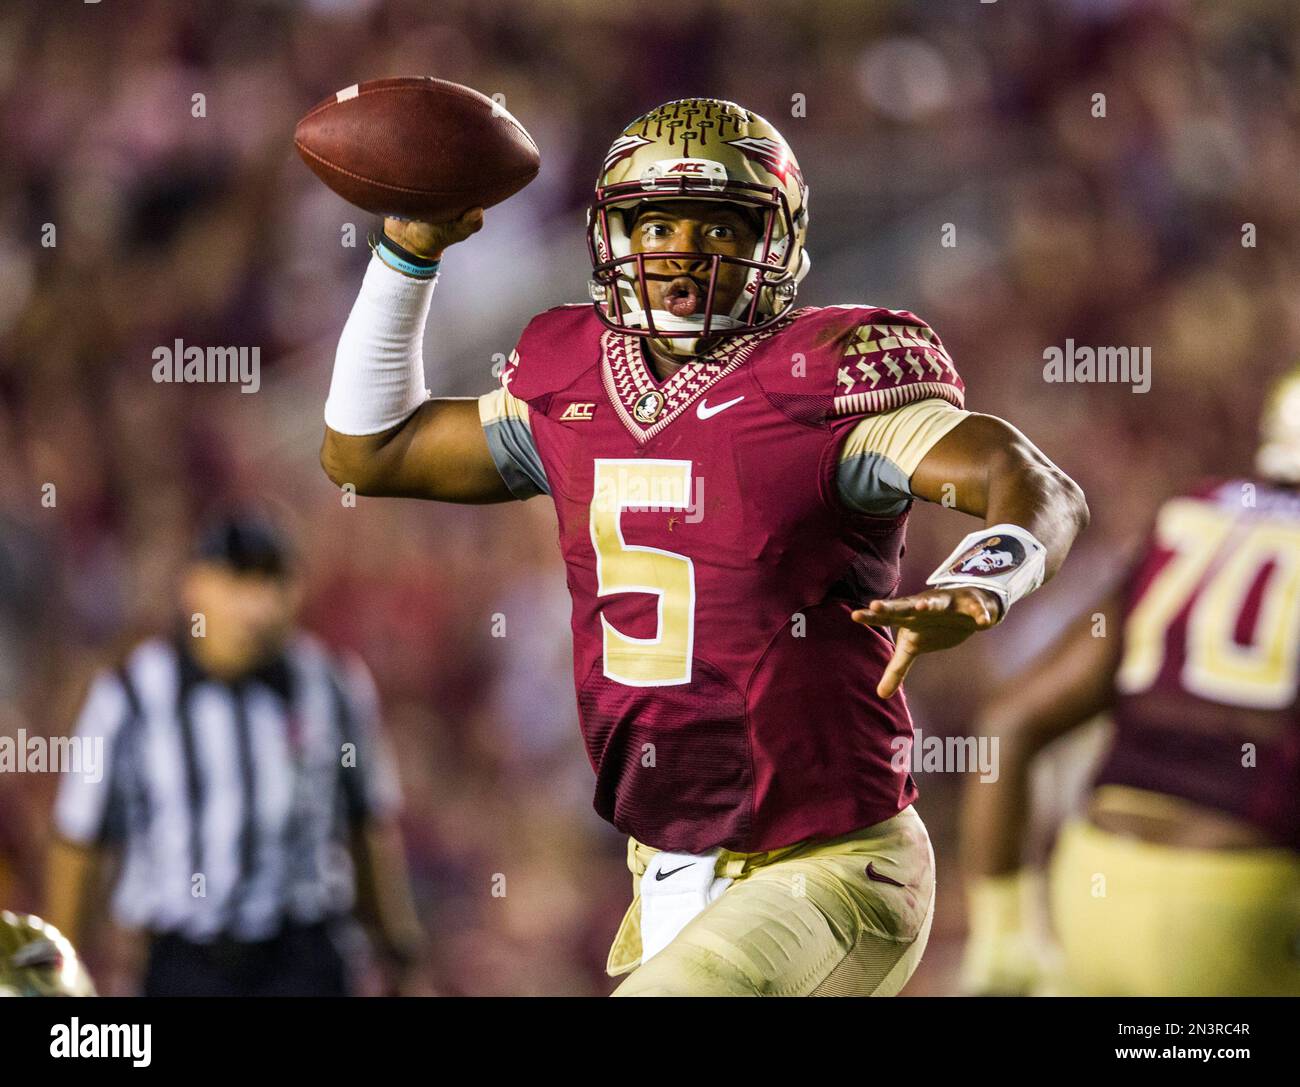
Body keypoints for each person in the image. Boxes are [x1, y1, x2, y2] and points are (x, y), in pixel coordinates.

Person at [320, 97, 1088, 996]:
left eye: (719, 226)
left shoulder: (822, 380)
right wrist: (408, 254)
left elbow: (1031, 481)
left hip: (830, 866)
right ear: (613, 236)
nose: (684, 252)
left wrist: (982, 579)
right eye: (659, 223)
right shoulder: (576, 383)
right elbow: (370, 449)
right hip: (668, 872)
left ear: (777, 240)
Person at [960, 367, 1300, 996]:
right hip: (1237, 904)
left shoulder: (1188, 520)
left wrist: (1004, 933)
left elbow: (1009, 720)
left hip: (1093, 889)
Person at [44, 513, 423, 996]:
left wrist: (399, 948)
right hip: (186, 962)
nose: (257, 608)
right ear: (193, 588)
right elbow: (80, 842)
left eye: (272, 582)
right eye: (238, 583)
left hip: (304, 954)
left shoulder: (331, 684)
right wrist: (60, 976)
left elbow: (366, 825)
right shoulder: (129, 696)